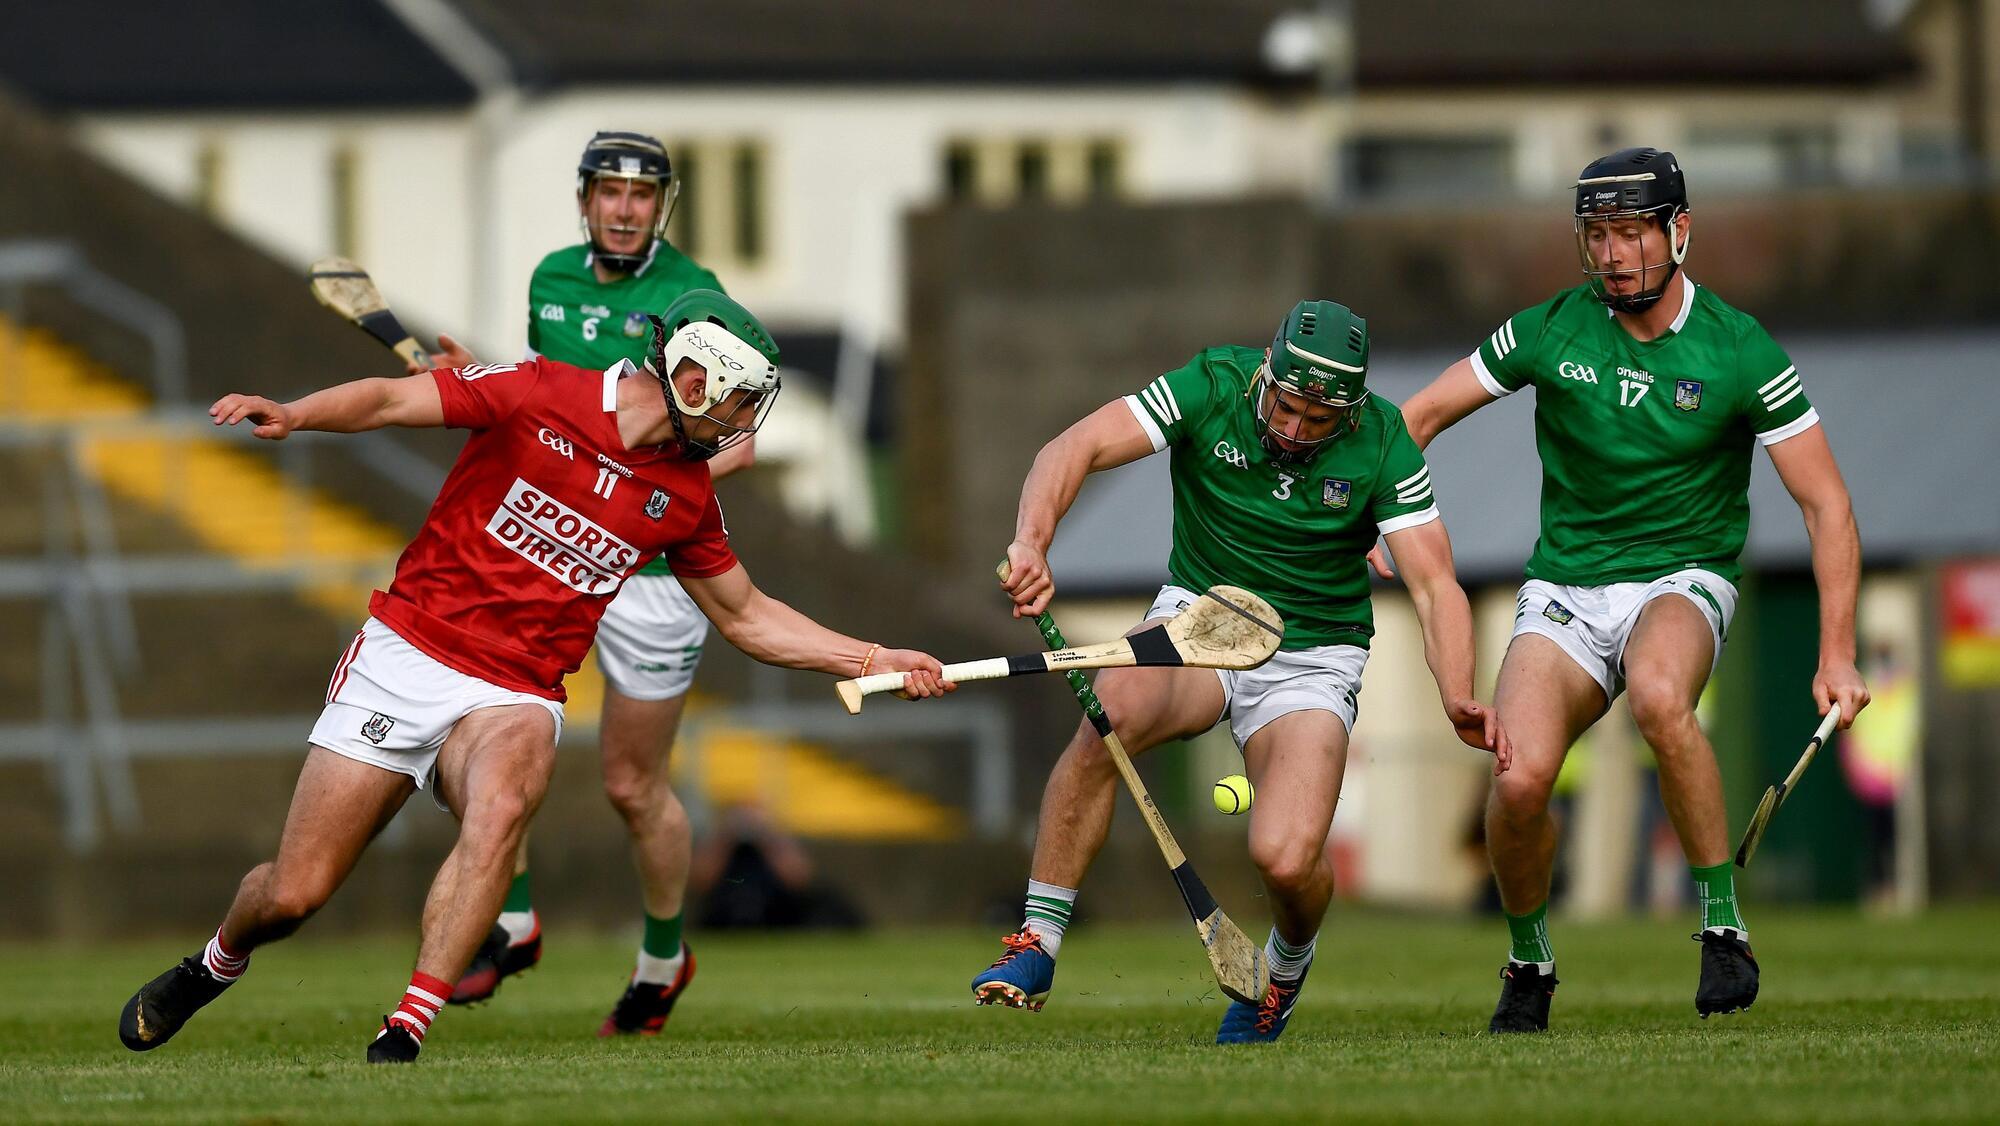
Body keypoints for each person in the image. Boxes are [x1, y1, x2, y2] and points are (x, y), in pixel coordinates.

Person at [117, 290, 950, 1064]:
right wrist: (295, 414)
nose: (740, 425)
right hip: (410, 649)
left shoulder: (686, 494)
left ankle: (406, 1028)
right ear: (693, 375)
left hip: (517, 689)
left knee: (505, 804)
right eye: (737, 402)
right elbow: (388, 400)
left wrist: (875, 658)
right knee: (294, 895)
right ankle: (214, 964)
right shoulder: (538, 390)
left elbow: (748, 616)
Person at [1390, 147, 1870, 1032]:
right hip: (1568, 586)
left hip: (1684, 576)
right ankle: (1529, 963)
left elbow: (1826, 504)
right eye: (1597, 234)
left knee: (1658, 693)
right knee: (1520, 777)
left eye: (1630, 232)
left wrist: (1835, 649)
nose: (1611, 254)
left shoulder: (1739, 348)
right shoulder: (1547, 329)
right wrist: (1379, 522)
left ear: (1678, 233)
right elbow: (1413, 420)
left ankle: (1722, 927)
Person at [971, 300, 1510, 1043]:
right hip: (1204, 617)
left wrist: (1456, 693)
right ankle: (1038, 940)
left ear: (1348, 415)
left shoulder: (1384, 441)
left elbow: (1435, 585)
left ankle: (1282, 976)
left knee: (1285, 860)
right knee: (1111, 714)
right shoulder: (1212, 385)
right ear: (1267, 375)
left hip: (1313, 657)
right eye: (1286, 408)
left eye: (1318, 421)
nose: (1294, 431)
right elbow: (1074, 447)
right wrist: (1033, 542)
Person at [422, 131, 750, 1037]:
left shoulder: (696, 299)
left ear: (663, 206)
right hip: (558, 557)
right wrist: (469, 384)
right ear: (584, 198)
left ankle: (662, 956)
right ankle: (515, 923)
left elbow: (739, 439)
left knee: (630, 787)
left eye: (641, 196)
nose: (623, 209)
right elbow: (554, 409)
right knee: (478, 737)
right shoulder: (549, 282)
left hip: (650, 576)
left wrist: (642, 504)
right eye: (609, 191)